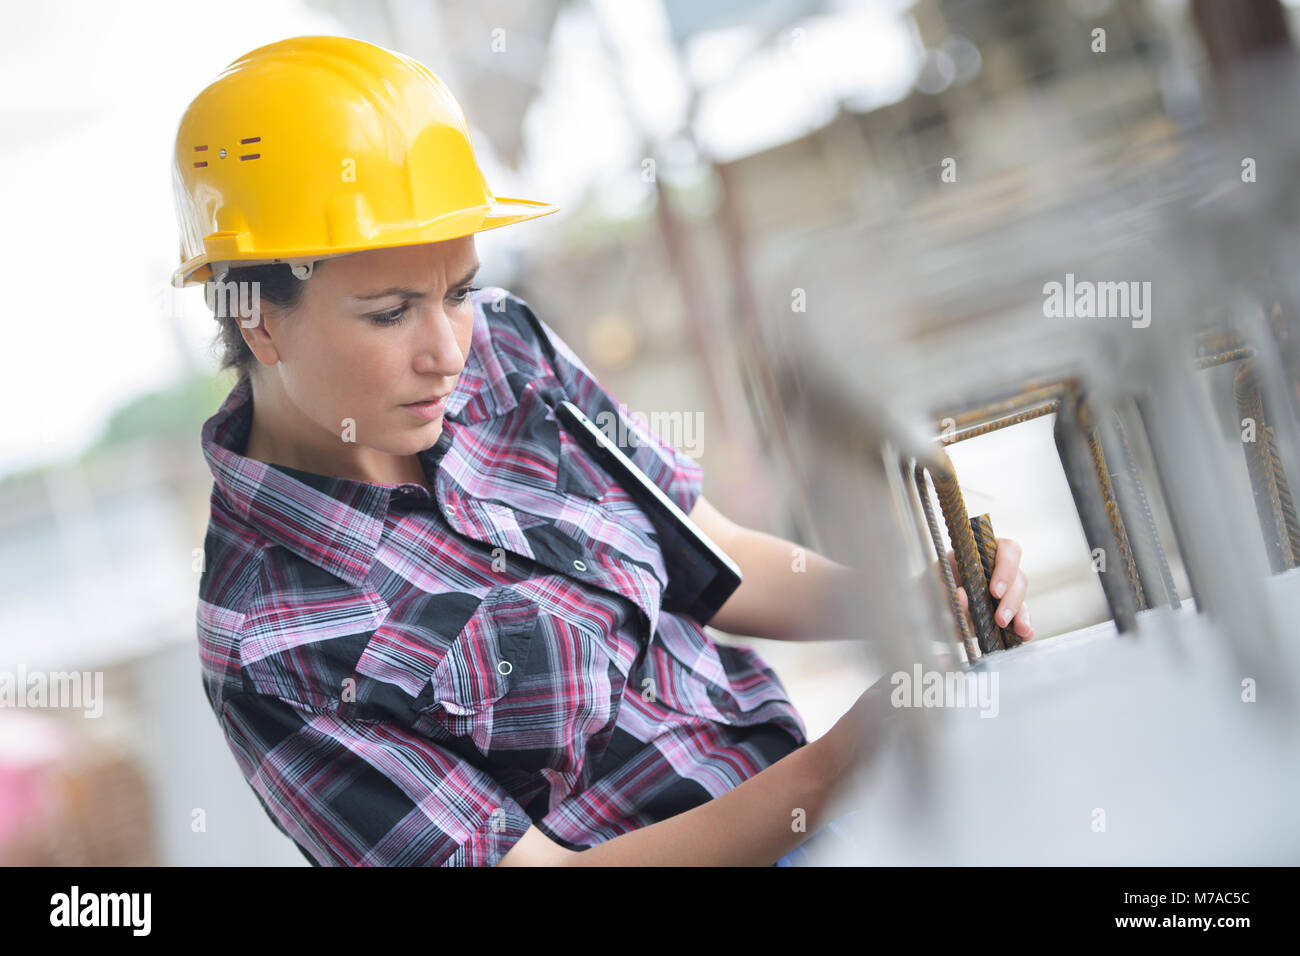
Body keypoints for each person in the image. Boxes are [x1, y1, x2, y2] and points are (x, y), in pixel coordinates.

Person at [177, 35, 1033, 867]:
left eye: (460, 291)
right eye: (392, 311)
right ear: (257, 315)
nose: (447, 350)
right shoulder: (269, 650)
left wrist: (911, 605)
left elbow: (716, 556)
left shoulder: (510, 347)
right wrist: (845, 763)